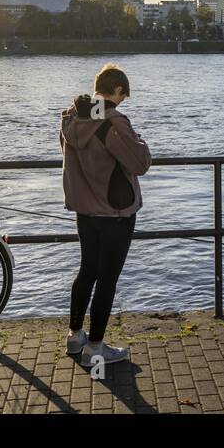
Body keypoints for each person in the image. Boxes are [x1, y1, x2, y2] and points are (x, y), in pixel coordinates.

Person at [60, 63, 151, 367]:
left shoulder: (73, 118)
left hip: (85, 209)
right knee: (107, 279)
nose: (123, 100)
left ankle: (75, 337)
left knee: (87, 271)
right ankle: (95, 348)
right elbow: (140, 162)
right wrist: (139, 139)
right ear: (116, 90)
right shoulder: (112, 122)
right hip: (115, 212)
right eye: (123, 95)